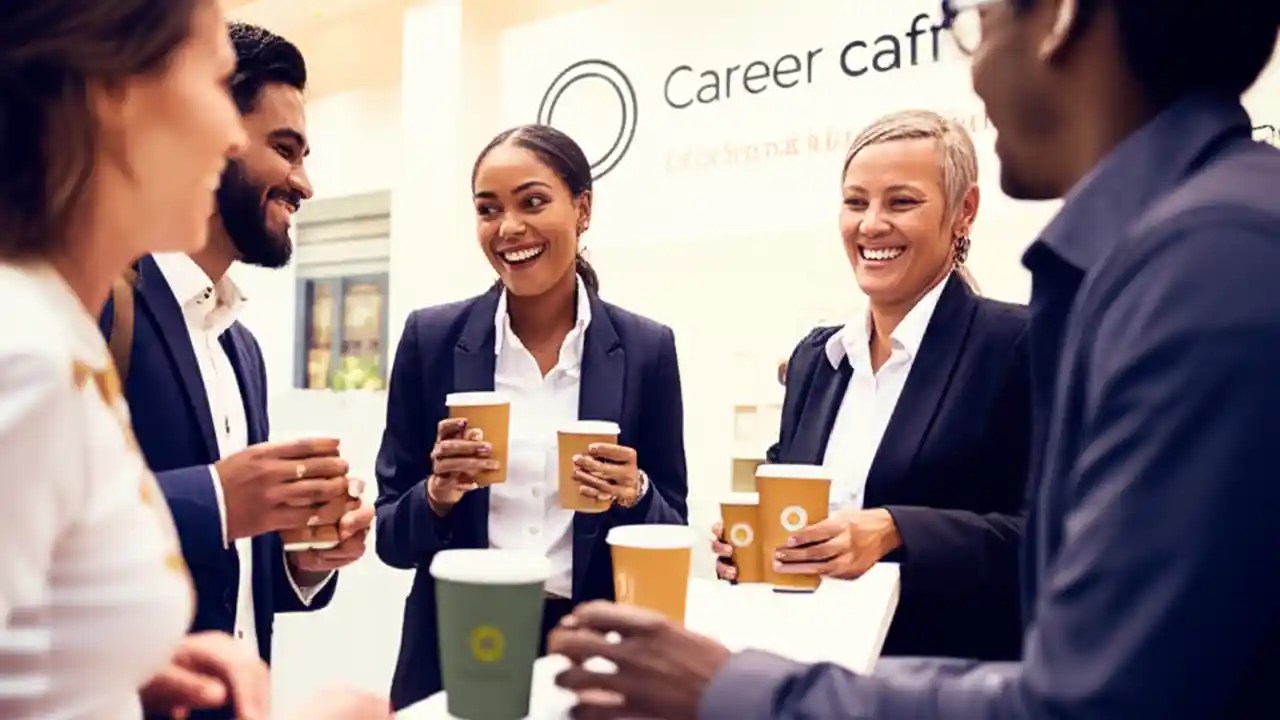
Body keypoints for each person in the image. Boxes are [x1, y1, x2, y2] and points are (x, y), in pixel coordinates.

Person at [547, 1, 1280, 717]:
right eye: (855, 201)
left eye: (976, 21)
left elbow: (1095, 683)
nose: (978, 76)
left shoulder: (1207, 264)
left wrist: (735, 683)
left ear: (1058, 18)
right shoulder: (818, 359)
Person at [0, 1, 386, 718]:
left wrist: (114, 669)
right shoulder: (29, 347)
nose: (223, 134)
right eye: (212, 83)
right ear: (118, 94)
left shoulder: (71, 334)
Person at [97, 22, 375, 700]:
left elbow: (236, 579)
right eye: (284, 149)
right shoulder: (102, 303)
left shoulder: (241, 348)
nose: (304, 183)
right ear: (214, 134)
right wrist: (219, 498)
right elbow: (44, 528)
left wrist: (302, 564)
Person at [374, 124, 689, 710]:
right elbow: (390, 536)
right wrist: (438, 493)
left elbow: (672, 525)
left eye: (533, 201)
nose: (508, 228)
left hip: (592, 648)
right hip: (455, 639)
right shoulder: (432, 339)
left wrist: (635, 490)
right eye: (488, 209)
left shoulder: (646, 349)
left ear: (583, 208)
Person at [711, 110, 1029, 661]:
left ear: (964, 212)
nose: (871, 224)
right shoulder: (816, 359)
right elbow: (784, 490)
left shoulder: (1018, 345)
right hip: (809, 666)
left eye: (901, 202)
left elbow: (1054, 539)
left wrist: (895, 530)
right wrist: (746, 542)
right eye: (856, 202)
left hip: (945, 687)